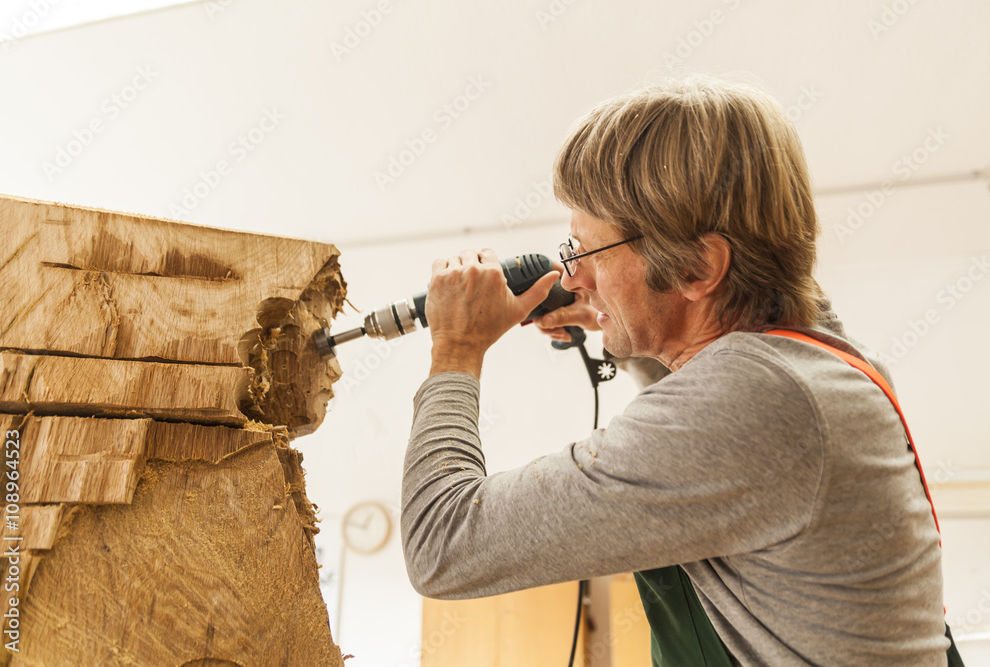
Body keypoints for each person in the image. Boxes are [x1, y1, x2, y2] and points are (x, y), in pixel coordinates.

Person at [400, 75, 951, 665]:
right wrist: (632, 314)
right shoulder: (819, 362)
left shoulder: (746, 405)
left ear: (697, 268)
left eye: (586, 254)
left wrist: (456, 351)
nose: (571, 279)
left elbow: (444, 544)